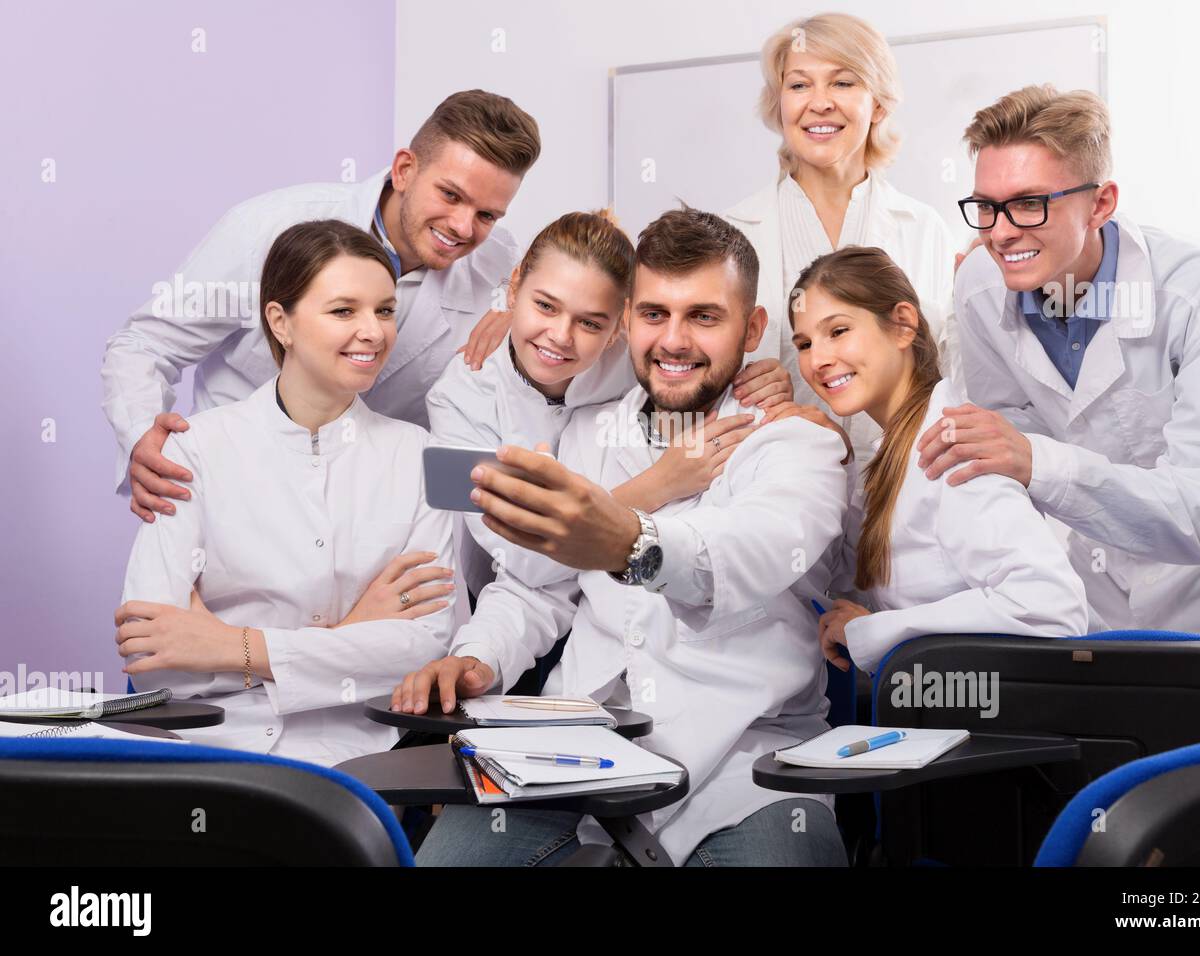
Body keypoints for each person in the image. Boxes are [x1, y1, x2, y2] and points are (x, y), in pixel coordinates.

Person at [394, 207, 851, 866]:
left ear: (752, 329)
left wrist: (626, 539)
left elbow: (755, 547)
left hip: (744, 766)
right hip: (566, 754)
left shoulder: (796, 442)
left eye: (704, 316)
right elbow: (534, 588)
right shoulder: (586, 433)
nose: (674, 340)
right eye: (655, 314)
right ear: (629, 319)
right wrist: (480, 657)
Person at [921, 84, 1200, 676]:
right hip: (1104, 564)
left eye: (1028, 204)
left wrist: (1034, 462)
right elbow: (1011, 424)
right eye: (986, 207)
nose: (998, 233)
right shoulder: (979, 282)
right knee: (1125, 734)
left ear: (1100, 204)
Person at [103, 89, 539, 522]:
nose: (463, 227)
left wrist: (521, 314)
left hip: (371, 513)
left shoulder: (498, 266)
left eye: (487, 215)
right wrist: (143, 435)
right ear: (405, 169)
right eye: (450, 195)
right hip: (234, 491)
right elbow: (145, 343)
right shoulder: (265, 228)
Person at [114, 220, 458, 766]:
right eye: (344, 311)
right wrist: (352, 637)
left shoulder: (420, 458)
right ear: (281, 322)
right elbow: (154, 653)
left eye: (385, 310)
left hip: (355, 758)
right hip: (206, 749)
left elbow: (422, 646)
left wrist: (230, 647)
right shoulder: (196, 449)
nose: (373, 331)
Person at [425, 209, 794, 599]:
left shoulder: (637, 354)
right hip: (513, 600)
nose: (560, 337)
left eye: (590, 323)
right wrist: (661, 483)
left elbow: (707, 349)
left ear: (623, 323)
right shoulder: (454, 400)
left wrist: (762, 372)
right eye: (545, 306)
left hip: (618, 590)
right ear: (514, 287)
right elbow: (528, 561)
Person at [765, 246, 1088, 675]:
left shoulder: (951, 447)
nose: (818, 359)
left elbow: (1051, 606)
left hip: (1002, 724)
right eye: (804, 343)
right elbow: (844, 582)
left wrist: (877, 632)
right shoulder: (889, 454)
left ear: (902, 324)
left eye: (838, 330)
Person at [724, 11, 959, 461]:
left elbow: (947, 376)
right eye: (798, 85)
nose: (819, 102)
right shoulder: (730, 235)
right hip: (779, 486)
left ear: (880, 104)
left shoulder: (924, 228)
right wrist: (750, 381)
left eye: (843, 82)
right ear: (779, 106)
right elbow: (698, 376)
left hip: (903, 483)